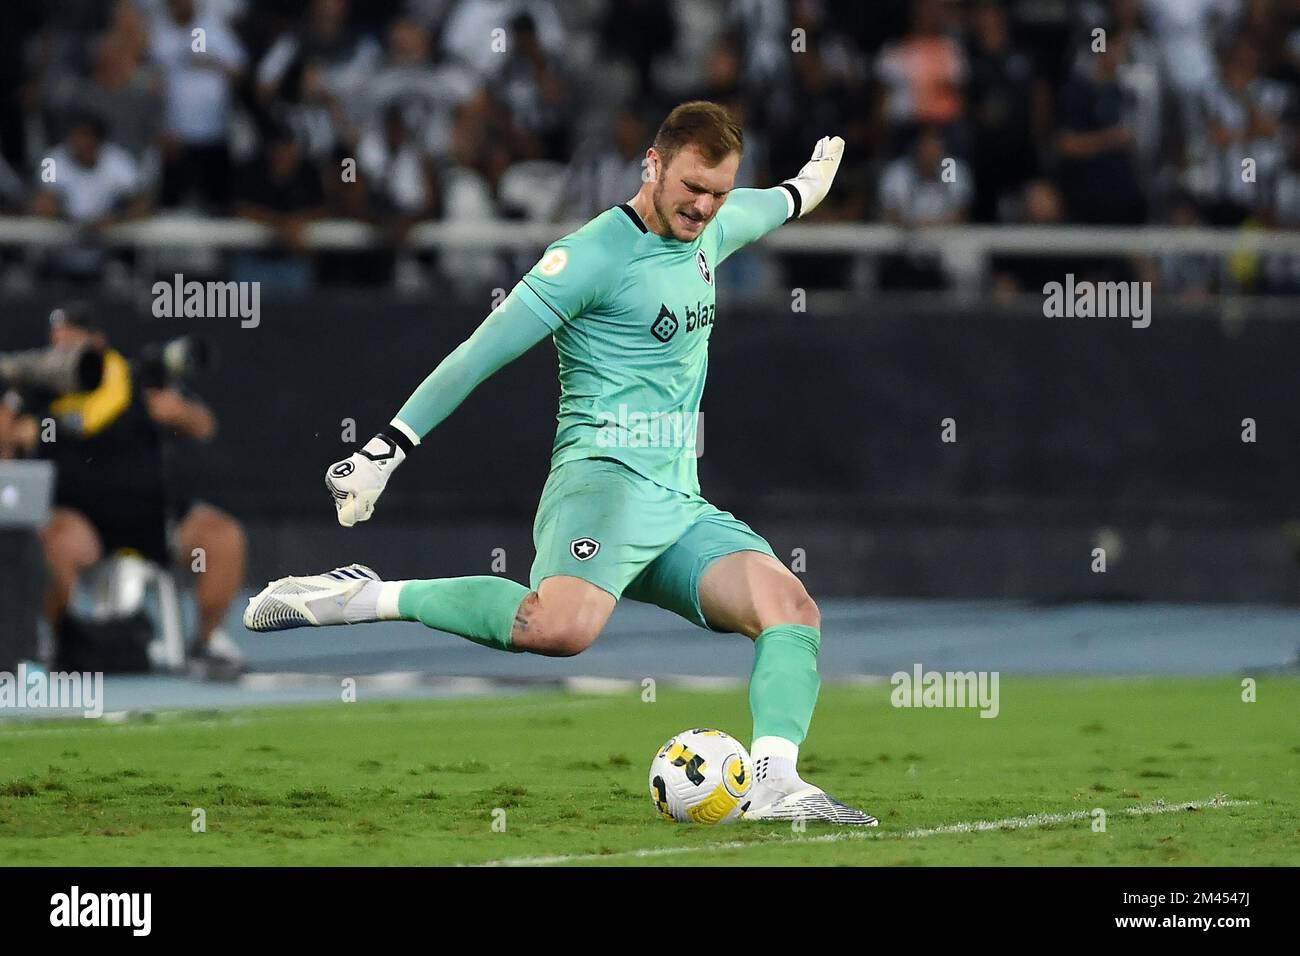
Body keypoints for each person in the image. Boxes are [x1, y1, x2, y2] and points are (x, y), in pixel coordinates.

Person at [245, 101, 875, 825]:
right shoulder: (590, 256)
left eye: (718, 192)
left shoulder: (718, 224)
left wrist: (808, 184)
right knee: (559, 630)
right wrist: (385, 450)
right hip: (600, 481)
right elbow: (480, 351)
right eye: (692, 187)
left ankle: (775, 782)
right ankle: (361, 597)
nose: (703, 206)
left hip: (676, 505)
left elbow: (774, 206)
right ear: (654, 165)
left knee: (791, 609)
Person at [9, 306, 247, 673]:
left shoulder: (136, 380)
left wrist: (178, 413)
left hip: (154, 519)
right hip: (83, 520)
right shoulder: (36, 389)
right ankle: (64, 642)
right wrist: (17, 430)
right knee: (53, 541)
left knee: (223, 537)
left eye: (72, 340)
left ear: (97, 341)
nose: (62, 350)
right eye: (57, 341)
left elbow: (204, 426)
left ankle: (206, 640)